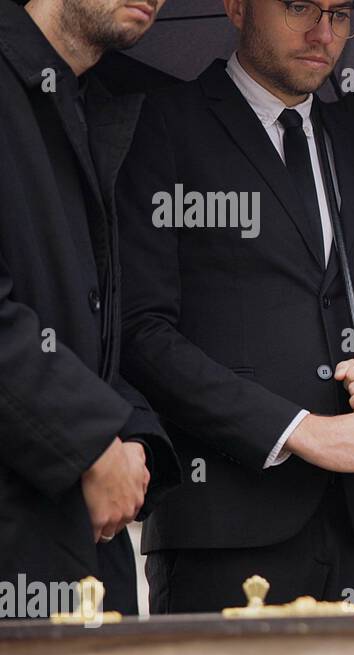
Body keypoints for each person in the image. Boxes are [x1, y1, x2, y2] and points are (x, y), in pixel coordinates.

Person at [116, 0, 354, 612]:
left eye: (342, 14)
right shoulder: (160, 125)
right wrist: (300, 432)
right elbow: (140, 330)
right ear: (237, 7)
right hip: (222, 522)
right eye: (299, 7)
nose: (323, 32)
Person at [0, 0, 178, 617]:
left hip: (85, 562)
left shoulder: (93, 105)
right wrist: (92, 446)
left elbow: (89, 338)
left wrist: (135, 445)